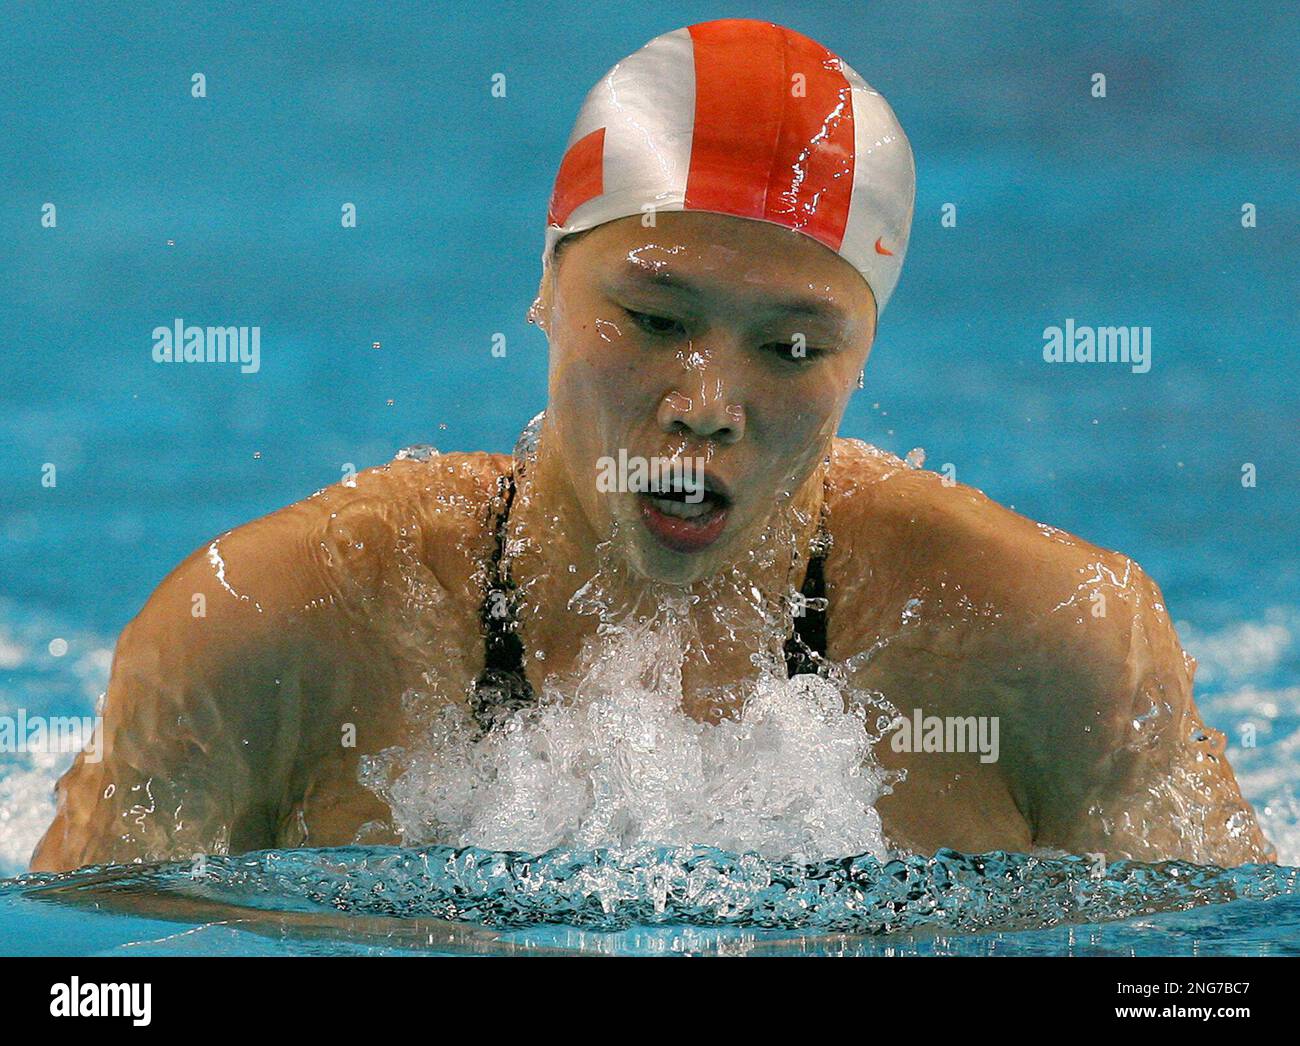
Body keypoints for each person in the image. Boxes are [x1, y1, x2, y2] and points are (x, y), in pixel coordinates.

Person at [31, 18, 1272, 873]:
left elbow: (1215, 986)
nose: (707, 400)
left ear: (862, 358)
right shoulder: (264, 633)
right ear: (548, 291)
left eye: (791, 350)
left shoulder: (1052, 650)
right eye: (655, 319)